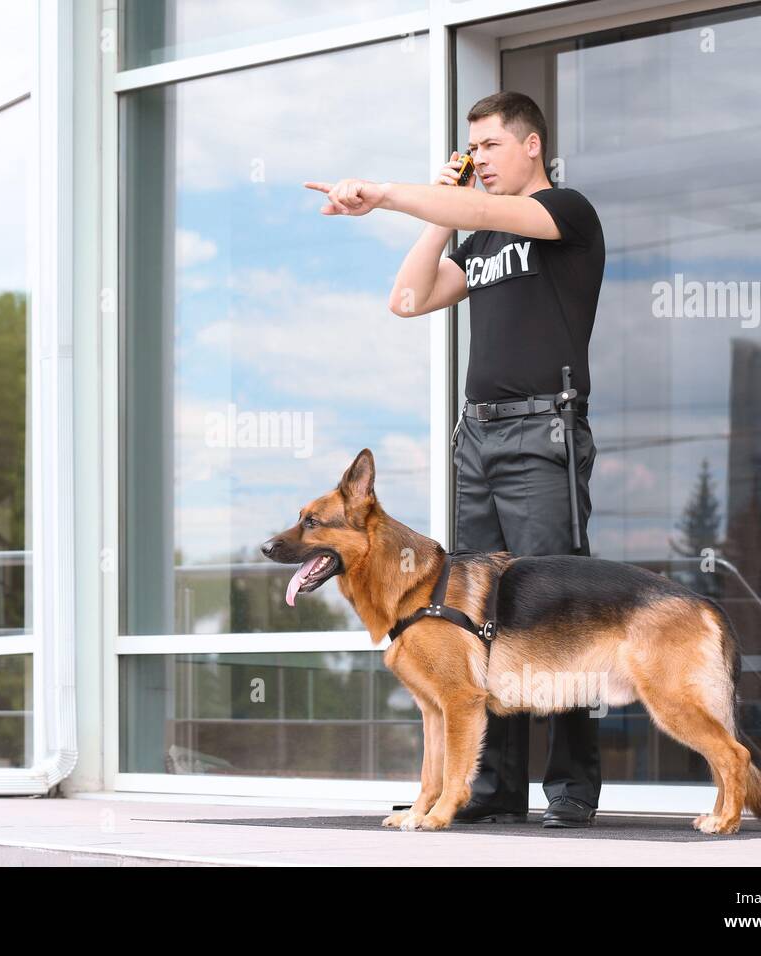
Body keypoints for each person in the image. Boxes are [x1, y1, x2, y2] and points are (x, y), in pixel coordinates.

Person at [304, 91, 606, 828]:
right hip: (479, 438)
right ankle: (489, 787)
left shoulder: (566, 212)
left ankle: (570, 784)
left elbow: (487, 213)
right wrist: (439, 204)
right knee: (473, 609)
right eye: (472, 149)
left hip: (543, 431)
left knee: (553, 603)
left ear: (531, 146)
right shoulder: (473, 232)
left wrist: (385, 194)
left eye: (492, 147)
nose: (480, 162)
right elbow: (407, 300)